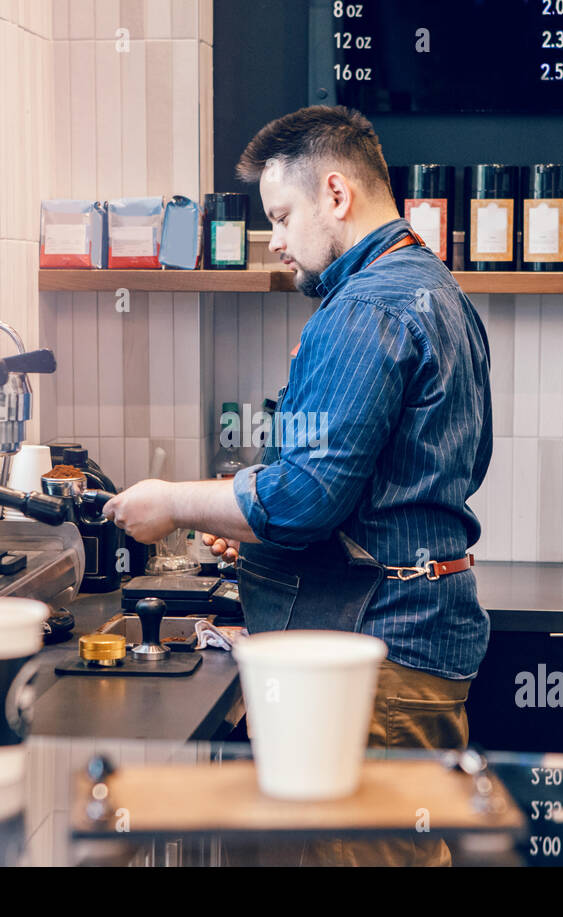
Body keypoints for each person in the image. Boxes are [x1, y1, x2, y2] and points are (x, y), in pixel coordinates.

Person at [102, 105, 493, 865]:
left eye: (281, 215)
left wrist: (172, 502)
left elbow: (304, 498)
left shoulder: (366, 308)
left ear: (337, 195)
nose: (275, 239)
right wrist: (256, 525)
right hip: (419, 638)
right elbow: (401, 484)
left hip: (376, 655)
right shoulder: (436, 289)